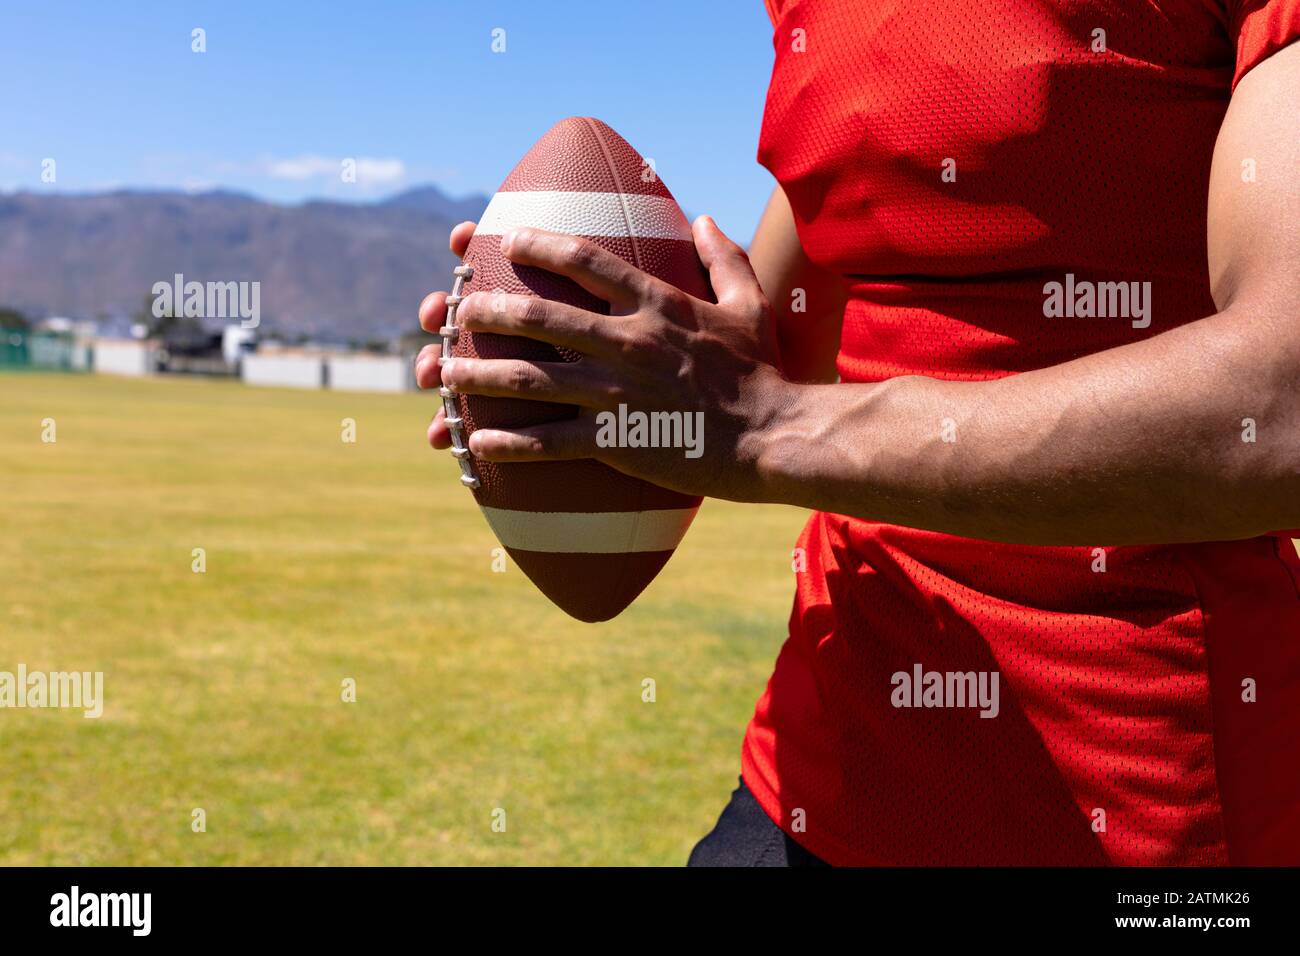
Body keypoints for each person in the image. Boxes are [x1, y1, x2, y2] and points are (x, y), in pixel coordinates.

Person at [415, 0, 1300, 865]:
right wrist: (563, 358)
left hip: (1143, 796)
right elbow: (768, 349)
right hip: (825, 758)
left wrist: (766, 428)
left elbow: (1284, 406)